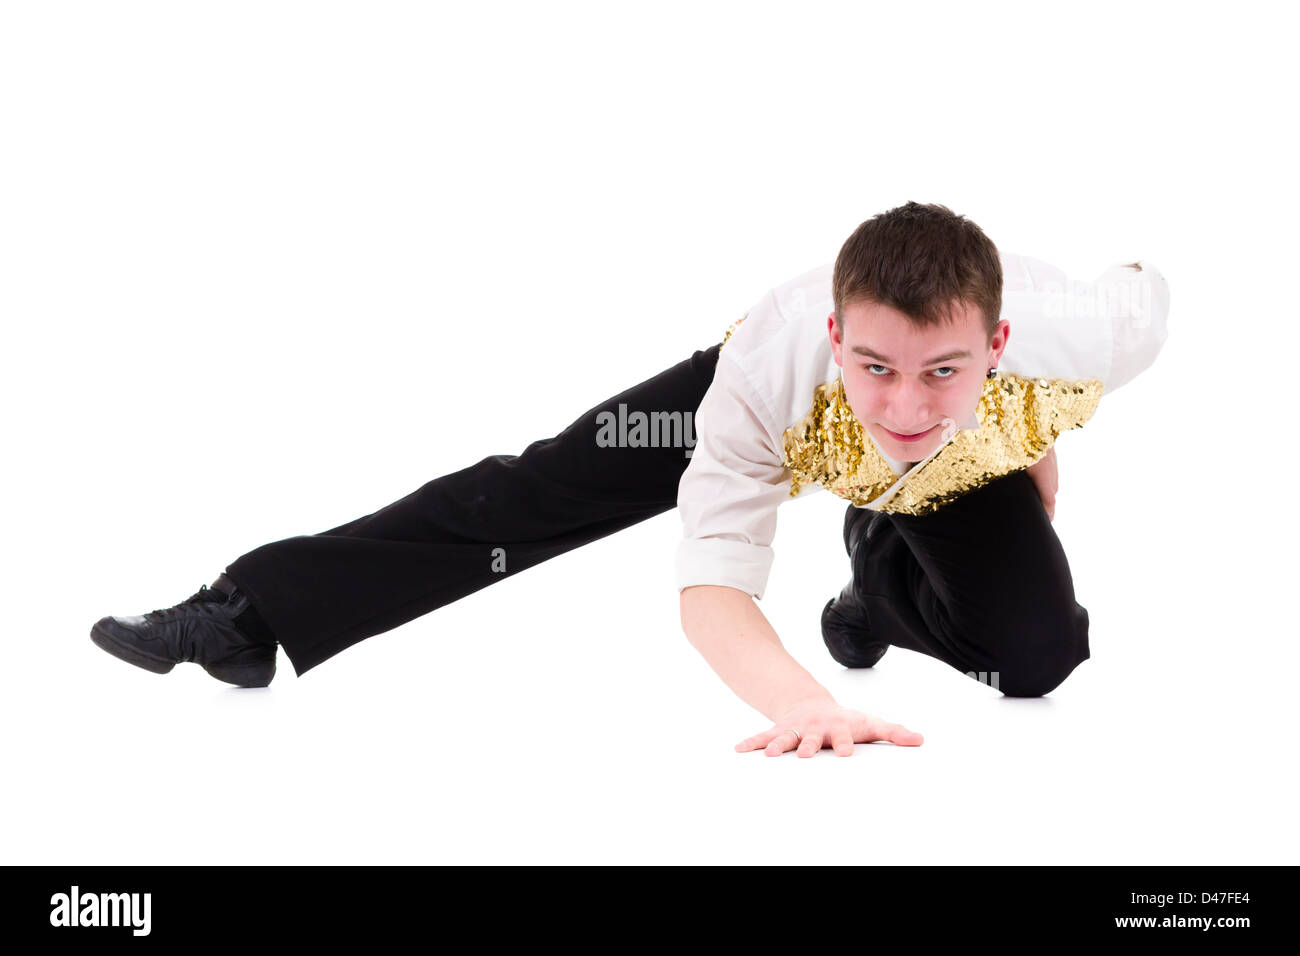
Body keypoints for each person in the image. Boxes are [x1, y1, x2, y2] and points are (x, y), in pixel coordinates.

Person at [90, 201, 1170, 758]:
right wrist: (802, 703)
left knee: (1038, 659)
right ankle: (245, 613)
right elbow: (711, 586)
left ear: (1002, 342)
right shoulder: (768, 372)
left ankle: (876, 585)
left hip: (957, 462)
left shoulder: (1086, 335)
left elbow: (1145, 284)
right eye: (875, 366)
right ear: (836, 336)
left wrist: (1026, 442)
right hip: (778, 410)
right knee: (534, 496)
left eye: (942, 368)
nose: (899, 402)